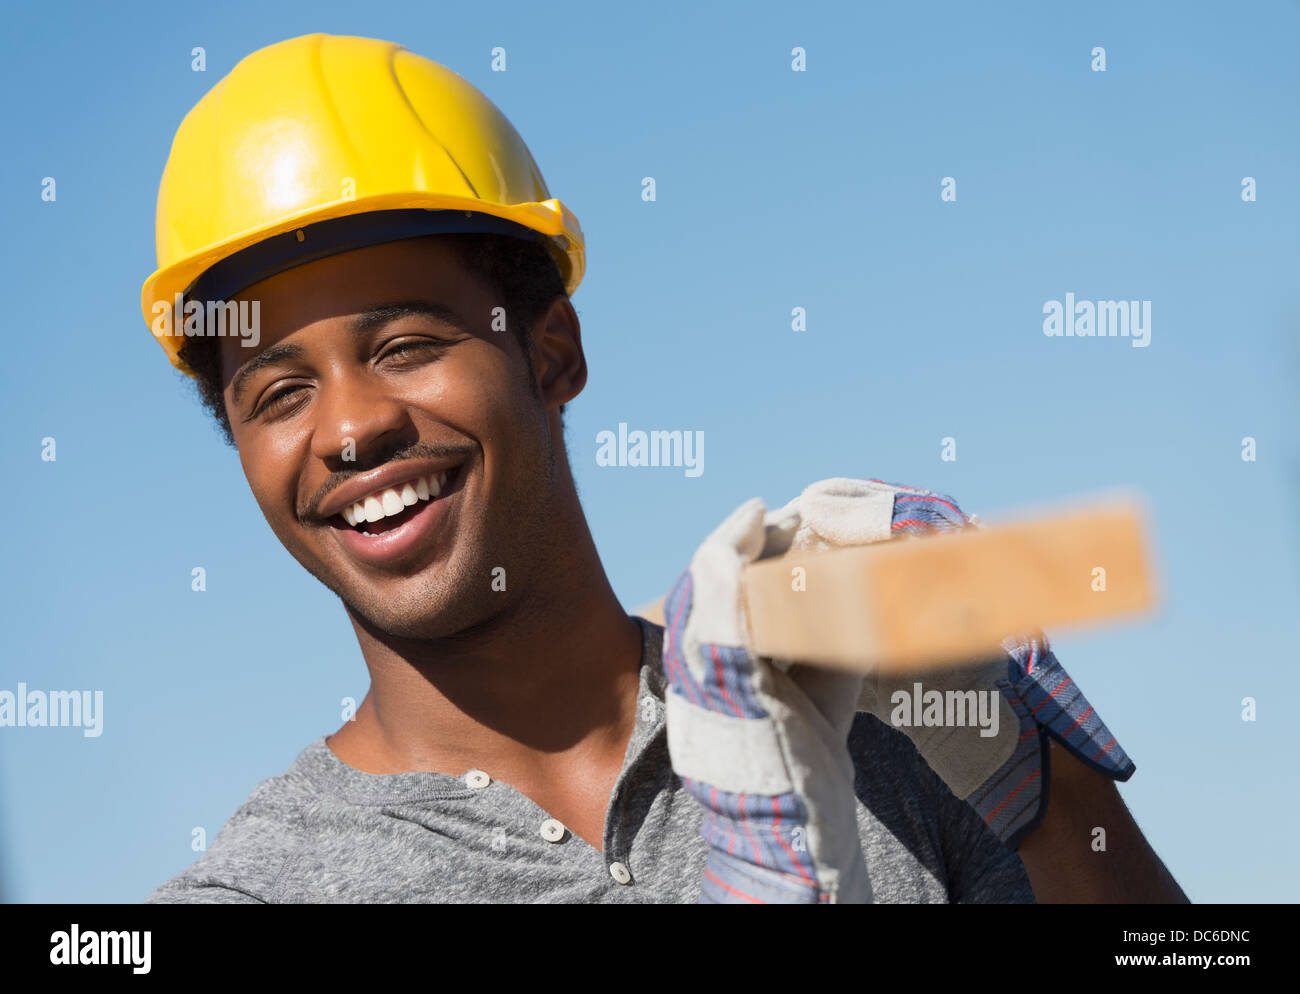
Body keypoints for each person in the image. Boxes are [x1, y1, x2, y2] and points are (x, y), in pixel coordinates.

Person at [141, 32, 1186, 903]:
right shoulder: (258, 893)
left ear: (551, 353)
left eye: (406, 345)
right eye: (279, 394)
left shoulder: (858, 733)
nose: (351, 428)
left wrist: (1041, 792)